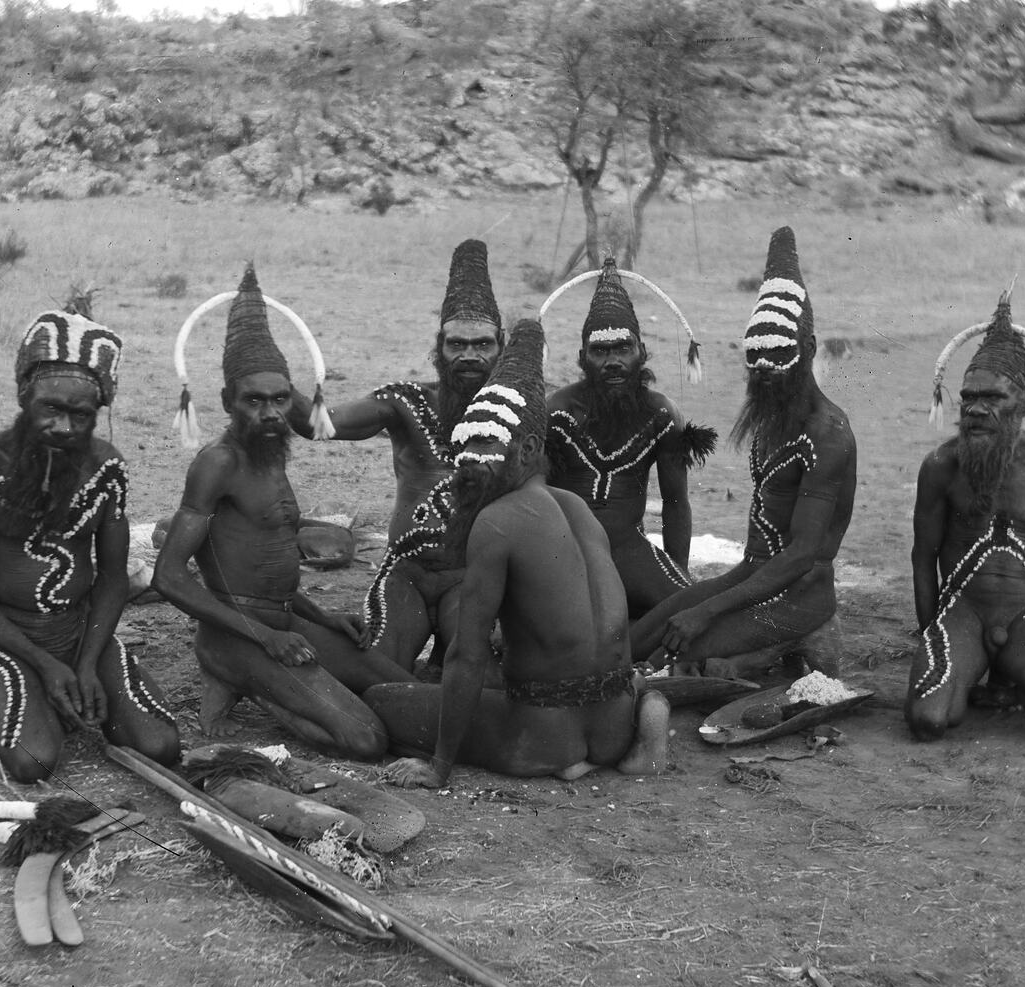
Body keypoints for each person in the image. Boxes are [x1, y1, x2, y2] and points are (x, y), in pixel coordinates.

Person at [363, 318, 671, 789]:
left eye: (487, 445)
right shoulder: (580, 510)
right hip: (612, 728)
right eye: (464, 447)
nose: (470, 462)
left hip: (542, 739)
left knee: (384, 699)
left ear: (527, 448)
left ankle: (565, 752)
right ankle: (640, 721)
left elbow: (466, 655)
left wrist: (439, 766)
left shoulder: (497, 520)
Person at [153, 265, 413, 760]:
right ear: (228, 401)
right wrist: (266, 639)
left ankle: (287, 683)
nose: (270, 413)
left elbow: (263, 559)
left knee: (401, 687)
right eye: (254, 401)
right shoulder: (218, 463)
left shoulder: (271, 454)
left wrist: (322, 615)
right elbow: (169, 577)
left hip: (286, 622)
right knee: (368, 739)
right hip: (238, 636)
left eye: (279, 399)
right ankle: (254, 687)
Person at [0, 309, 180, 783]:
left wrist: (88, 661)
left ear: (98, 414)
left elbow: (113, 577)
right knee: (34, 763)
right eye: (50, 408)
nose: (64, 428)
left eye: (80, 415)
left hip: (79, 631)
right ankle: (29, 691)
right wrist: (45, 665)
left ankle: (60, 687)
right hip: (5, 640)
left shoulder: (107, 470)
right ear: (24, 396)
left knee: (161, 745)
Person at [631, 227, 856, 671]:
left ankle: (764, 658)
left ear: (807, 348)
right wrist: (701, 603)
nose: (764, 369)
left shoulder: (827, 434)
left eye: (778, 354)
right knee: (635, 641)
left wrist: (707, 611)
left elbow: (801, 554)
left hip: (800, 595)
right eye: (755, 355)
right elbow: (759, 558)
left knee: (664, 657)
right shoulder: (774, 417)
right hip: (751, 576)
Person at [288, 239, 503, 672]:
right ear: (438, 347)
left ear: (502, 346)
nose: (469, 356)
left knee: (471, 671)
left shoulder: (520, 413)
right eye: (456, 344)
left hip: (477, 578)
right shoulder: (403, 402)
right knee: (380, 670)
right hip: (409, 572)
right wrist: (275, 378)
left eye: (482, 344)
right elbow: (318, 426)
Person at [904, 291, 1025, 745]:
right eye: (968, 398)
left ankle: (1020, 676)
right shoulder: (941, 467)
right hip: (962, 615)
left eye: (992, 397)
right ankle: (965, 674)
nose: (975, 409)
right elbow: (923, 557)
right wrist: (933, 635)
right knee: (929, 719)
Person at [543, 257, 717, 617]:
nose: (613, 362)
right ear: (582, 358)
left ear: (641, 353)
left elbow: (675, 503)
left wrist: (678, 574)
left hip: (628, 548)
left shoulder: (661, 416)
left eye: (623, 349)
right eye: (600, 351)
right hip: (563, 548)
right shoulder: (556, 412)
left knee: (694, 614)